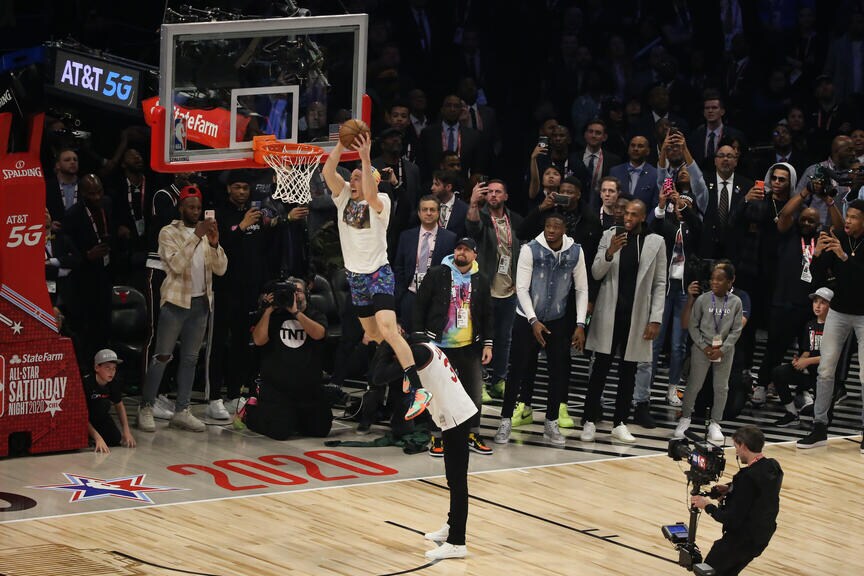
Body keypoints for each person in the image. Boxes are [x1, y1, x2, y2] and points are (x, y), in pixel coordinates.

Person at [322, 131, 431, 420]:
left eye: (358, 177)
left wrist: (365, 157)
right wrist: (339, 145)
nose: (352, 181)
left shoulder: (381, 199)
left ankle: (418, 388)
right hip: (356, 278)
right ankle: (407, 356)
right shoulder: (344, 197)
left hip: (379, 274)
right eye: (353, 177)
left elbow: (370, 193)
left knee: (387, 328)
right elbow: (327, 171)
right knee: (373, 335)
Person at [372, 342, 477, 561]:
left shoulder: (416, 354)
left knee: (458, 481)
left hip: (456, 415)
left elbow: (378, 376)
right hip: (454, 413)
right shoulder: (423, 346)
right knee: (453, 480)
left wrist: (382, 347)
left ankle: (457, 542)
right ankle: (452, 525)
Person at [137, 185, 227, 433]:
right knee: (162, 356)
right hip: (176, 303)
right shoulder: (168, 232)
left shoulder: (206, 234)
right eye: (191, 207)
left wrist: (215, 244)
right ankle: (146, 406)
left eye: (198, 207)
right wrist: (196, 236)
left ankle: (182, 410)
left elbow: (221, 269)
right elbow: (175, 265)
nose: (196, 211)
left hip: (201, 303)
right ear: (181, 208)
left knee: (190, 359)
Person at [494, 213, 588, 446]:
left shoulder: (576, 251)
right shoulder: (530, 249)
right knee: (516, 371)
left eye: (556, 226)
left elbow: (582, 290)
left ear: (565, 228)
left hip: (557, 319)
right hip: (526, 318)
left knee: (558, 372)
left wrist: (580, 324)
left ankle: (551, 422)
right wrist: (533, 320)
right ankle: (505, 420)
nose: (551, 230)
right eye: (548, 226)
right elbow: (522, 289)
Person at [580, 199, 667, 443]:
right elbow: (596, 272)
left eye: (633, 214)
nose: (627, 218)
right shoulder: (610, 235)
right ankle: (588, 420)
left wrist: (656, 318)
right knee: (600, 369)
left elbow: (661, 283)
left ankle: (620, 422)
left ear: (642, 217)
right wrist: (610, 252)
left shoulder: (655, 242)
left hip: (636, 316)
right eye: (626, 213)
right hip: (609, 312)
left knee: (629, 371)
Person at [414, 237, 494, 456]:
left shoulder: (481, 279)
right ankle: (436, 436)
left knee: (473, 393)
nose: (461, 253)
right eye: (459, 248)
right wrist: (420, 339)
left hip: (469, 344)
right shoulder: (438, 273)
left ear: (475, 255)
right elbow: (420, 305)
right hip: (439, 343)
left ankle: (472, 433)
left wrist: (488, 343)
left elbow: (488, 313)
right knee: (437, 392)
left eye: (467, 250)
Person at [798, 199, 864, 449]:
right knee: (825, 369)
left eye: (855, 217)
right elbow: (814, 277)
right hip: (838, 310)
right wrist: (817, 255)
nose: (848, 220)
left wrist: (843, 257)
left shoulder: (848, 246)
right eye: (848, 215)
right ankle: (820, 426)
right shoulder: (837, 236)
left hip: (863, 314)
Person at [241, 278, 332, 439]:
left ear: (306, 294)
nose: (294, 296)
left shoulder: (315, 314)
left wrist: (296, 312)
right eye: (290, 292)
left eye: (298, 291)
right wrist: (269, 310)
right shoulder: (272, 315)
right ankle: (250, 413)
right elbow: (258, 340)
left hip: (308, 387)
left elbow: (318, 334)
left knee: (320, 430)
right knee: (279, 432)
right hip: (278, 388)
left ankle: (295, 419)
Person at [690, 425, 783, 576]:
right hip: (761, 536)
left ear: (744, 446)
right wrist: (730, 488)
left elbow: (731, 519)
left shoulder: (745, 478)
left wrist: (707, 506)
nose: (737, 452)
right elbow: (758, 490)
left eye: (736, 447)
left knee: (708, 572)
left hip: (741, 539)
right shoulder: (772, 466)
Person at [674, 264, 744, 443]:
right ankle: (685, 418)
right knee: (694, 384)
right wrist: (703, 346)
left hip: (724, 350)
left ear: (730, 281)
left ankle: (715, 423)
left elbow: (736, 330)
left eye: (719, 279)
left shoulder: (736, 302)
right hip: (701, 348)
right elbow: (693, 325)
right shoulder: (703, 300)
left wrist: (723, 348)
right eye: (712, 278)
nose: (714, 282)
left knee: (721, 387)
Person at [466, 179, 523, 399]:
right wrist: (472, 203)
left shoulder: (514, 220)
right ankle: (478, 381)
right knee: (480, 336)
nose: (493, 195)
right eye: (489, 192)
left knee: (504, 338)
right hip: (485, 288)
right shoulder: (480, 216)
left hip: (508, 288)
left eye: (498, 192)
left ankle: (499, 379)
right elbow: (472, 227)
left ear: (506, 196)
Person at [393, 195, 457, 329]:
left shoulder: (450, 238)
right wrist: (401, 295)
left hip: (436, 300)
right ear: (419, 213)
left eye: (432, 210)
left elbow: (451, 270)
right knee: (410, 340)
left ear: (438, 213)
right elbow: (398, 267)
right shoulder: (406, 236)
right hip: (410, 296)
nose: (428, 213)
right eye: (425, 209)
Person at [773, 287, 832, 427]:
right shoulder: (810, 325)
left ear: (831, 306)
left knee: (825, 420)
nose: (817, 306)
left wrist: (807, 361)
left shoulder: (835, 328)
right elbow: (807, 350)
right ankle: (792, 413)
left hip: (826, 375)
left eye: (822, 303)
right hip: (810, 371)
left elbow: (832, 357)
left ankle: (819, 411)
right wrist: (799, 360)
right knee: (778, 372)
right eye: (815, 302)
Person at [84, 349, 135, 453]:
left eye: (114, 368)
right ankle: (91, 437)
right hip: (84, 419)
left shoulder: (113, 382)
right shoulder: (86, 383)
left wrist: (126, 431)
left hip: (101, 418)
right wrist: (98, 438)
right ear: (97, 367)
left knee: (115, 439)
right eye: (107, 368)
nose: (111, 372)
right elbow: (80, 414)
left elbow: (119, 406)